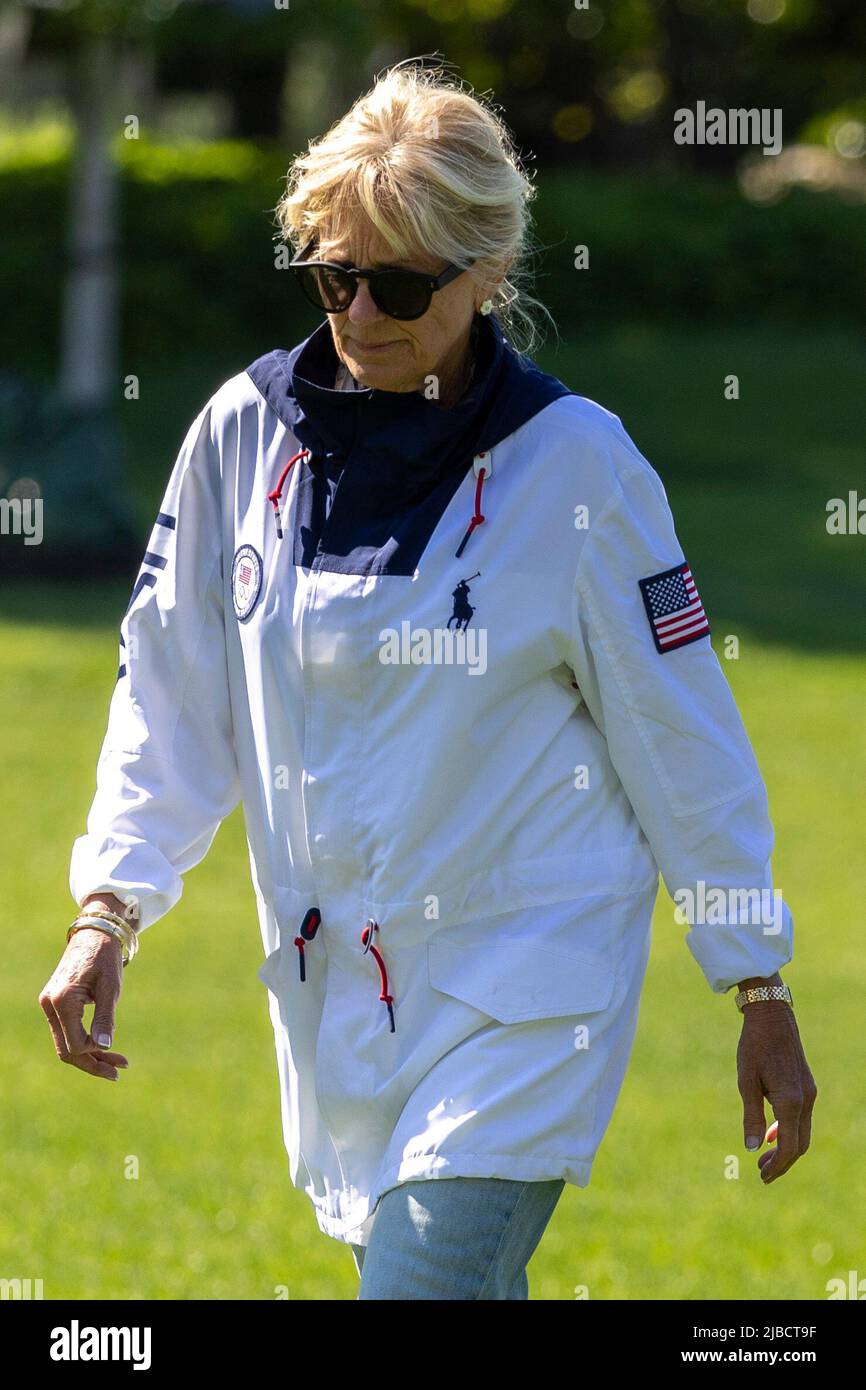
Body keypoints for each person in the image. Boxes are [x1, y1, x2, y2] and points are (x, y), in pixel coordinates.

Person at [40, 59, 816, 1301]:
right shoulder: (239, 436)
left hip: (525, 991)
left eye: (398, 282)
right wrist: (109, 907)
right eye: (331, 274)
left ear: (487, 272)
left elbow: (682, 732)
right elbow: (169, 694)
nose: (355, 312)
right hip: (336, 990)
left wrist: (753, 977)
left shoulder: (577, 468)